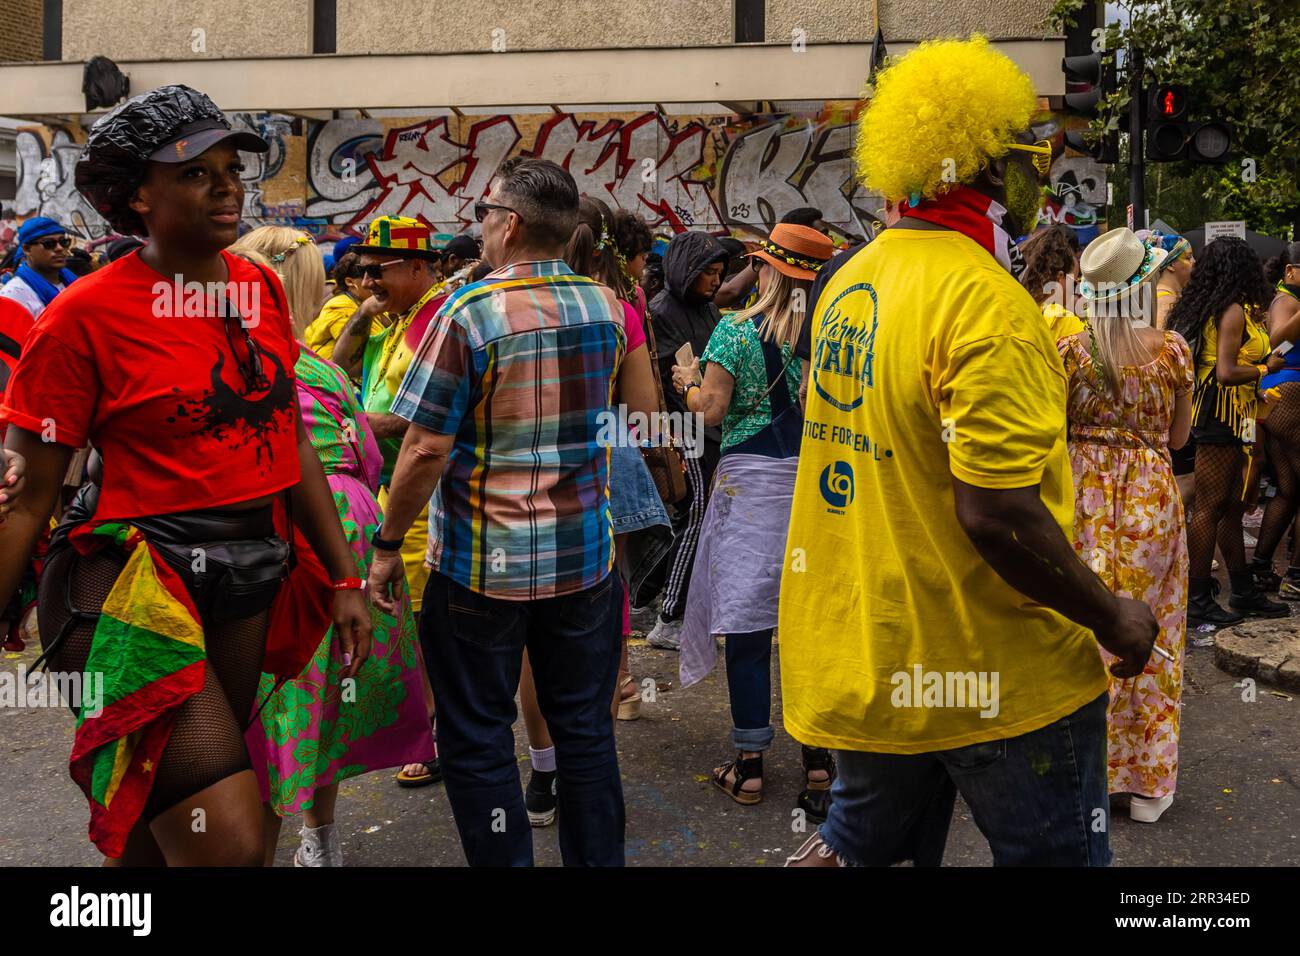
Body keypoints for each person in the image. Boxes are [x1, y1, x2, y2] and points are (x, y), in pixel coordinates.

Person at [778, 38, 1156, 868]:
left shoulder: (853, 279)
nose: (1043, 165)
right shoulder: (989, 303)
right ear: (990, 166)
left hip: (877, 657)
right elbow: (997, 512)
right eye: (1030, 147)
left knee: (858, 847)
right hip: (999, 674)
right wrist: (1114, 617)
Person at [0, 85, 371, 866]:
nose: (228, 185)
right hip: (128, 586)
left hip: (245, 577)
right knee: (232, 839)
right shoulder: (80, 316)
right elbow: (31, 494)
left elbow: (287, 437)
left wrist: (344, 578)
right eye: (196, 172)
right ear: (137, 195)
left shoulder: (256, 287)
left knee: (158, 824)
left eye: (230, 167)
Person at [367, 158, 627, 867]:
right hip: (584, 562)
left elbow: (422, 448)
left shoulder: (468, 310)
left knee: (478, 735)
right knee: (584, 732)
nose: (478, 226)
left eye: (483, 213)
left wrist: (387, 543)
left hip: (481, 568)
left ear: (509, 225)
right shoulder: (606, 307)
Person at [229, 226, 433, 867]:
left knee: (266, 704)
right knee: (319, 699)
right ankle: (319, 840)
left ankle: (268, 845)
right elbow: (366, 453)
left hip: (283, 538)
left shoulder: (243, 360)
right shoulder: (308, 363)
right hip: (343, 534)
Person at [669, 222, 838, 820]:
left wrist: (688, 384)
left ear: (766, 269)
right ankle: (819, 762)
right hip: (818, 489)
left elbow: (711, 411)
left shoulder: (734, 333)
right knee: (808, 621)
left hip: (751, 489)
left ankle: (748, 767)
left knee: (748, 624)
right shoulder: (832, 335)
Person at [516, 195, 668, 827]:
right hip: (597, 492)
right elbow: (647, 416)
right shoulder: (619, 311)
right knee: (599, 632)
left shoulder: (485, 302)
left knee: (528, 641)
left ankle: (544, 772)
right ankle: (590, 778)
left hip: (512, 502)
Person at [1062, 227, 1192, 824]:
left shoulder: (1071, 353)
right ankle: (1146, 784)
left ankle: (1085, 772)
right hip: (1151, 496)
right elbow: (1181, 438)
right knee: (1154, 628)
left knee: (1083, 620)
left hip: (1082, 490)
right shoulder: (1172, 351)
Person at [331, 215, 446, 788]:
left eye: (378, 271)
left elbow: (416, 419)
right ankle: (426, 723)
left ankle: (432, 729)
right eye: (361, 271)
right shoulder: (391, 318)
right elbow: (333, 370)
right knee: (408, 616)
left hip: (423, 496)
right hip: (389, 490)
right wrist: (362, 313)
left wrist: (348, 421)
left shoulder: (435, 323)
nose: (367, 280)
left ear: (420, 266)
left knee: (424, 622)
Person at [1168, 237, 1287, 628]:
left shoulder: (1221, 306)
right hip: (1220, 416)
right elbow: (1225, 372)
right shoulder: (1231, 310)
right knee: (1209, 507)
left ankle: (1242, 589)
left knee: (1230, 506)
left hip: (1231, 417)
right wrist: (1266, 368)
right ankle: (1198, 598)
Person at [644, 231, 728, 650]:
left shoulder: (708, 308)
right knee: (696, 513)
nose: (714, 281)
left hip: (708, 427)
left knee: (695, 518)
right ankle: (670, 616)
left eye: (718, 272)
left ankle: (650, 601)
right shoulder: (661, 312)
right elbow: (679, 378)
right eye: (707, 273)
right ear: (684, 271)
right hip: (684, 430)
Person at [1248, 242, 1300, 598]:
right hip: (1289, 397)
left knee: (1289, 489)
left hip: (1281, 398)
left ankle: (1262, 567)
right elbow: (1276, 338)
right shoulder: (1287, 301)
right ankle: (1296, 577)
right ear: (1291, 271)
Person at [303, 251, 383, 367]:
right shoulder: (340, 307)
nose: (373, 282)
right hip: (333, 380)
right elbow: (369, 349)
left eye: (377, 274)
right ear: (350, 282)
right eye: (368, 276)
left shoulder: (369, 302)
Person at [1017, 224, 1086, 342]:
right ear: (1060, 278)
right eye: (1073, 283)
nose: (1073, 291)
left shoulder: (1021, 306)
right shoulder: (1062, 321)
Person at [0, 217, 78, 319]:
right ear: (27, 249)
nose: (59, 248)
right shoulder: (13, 295)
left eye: (63, 242)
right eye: (49, 244)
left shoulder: (74, 282)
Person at [1153, 232, 1194, 330]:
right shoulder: (1166, 301)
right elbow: (1161, 342)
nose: (1194, 261)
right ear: (1171, 265)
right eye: (1188, 257)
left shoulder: (1169, 296)